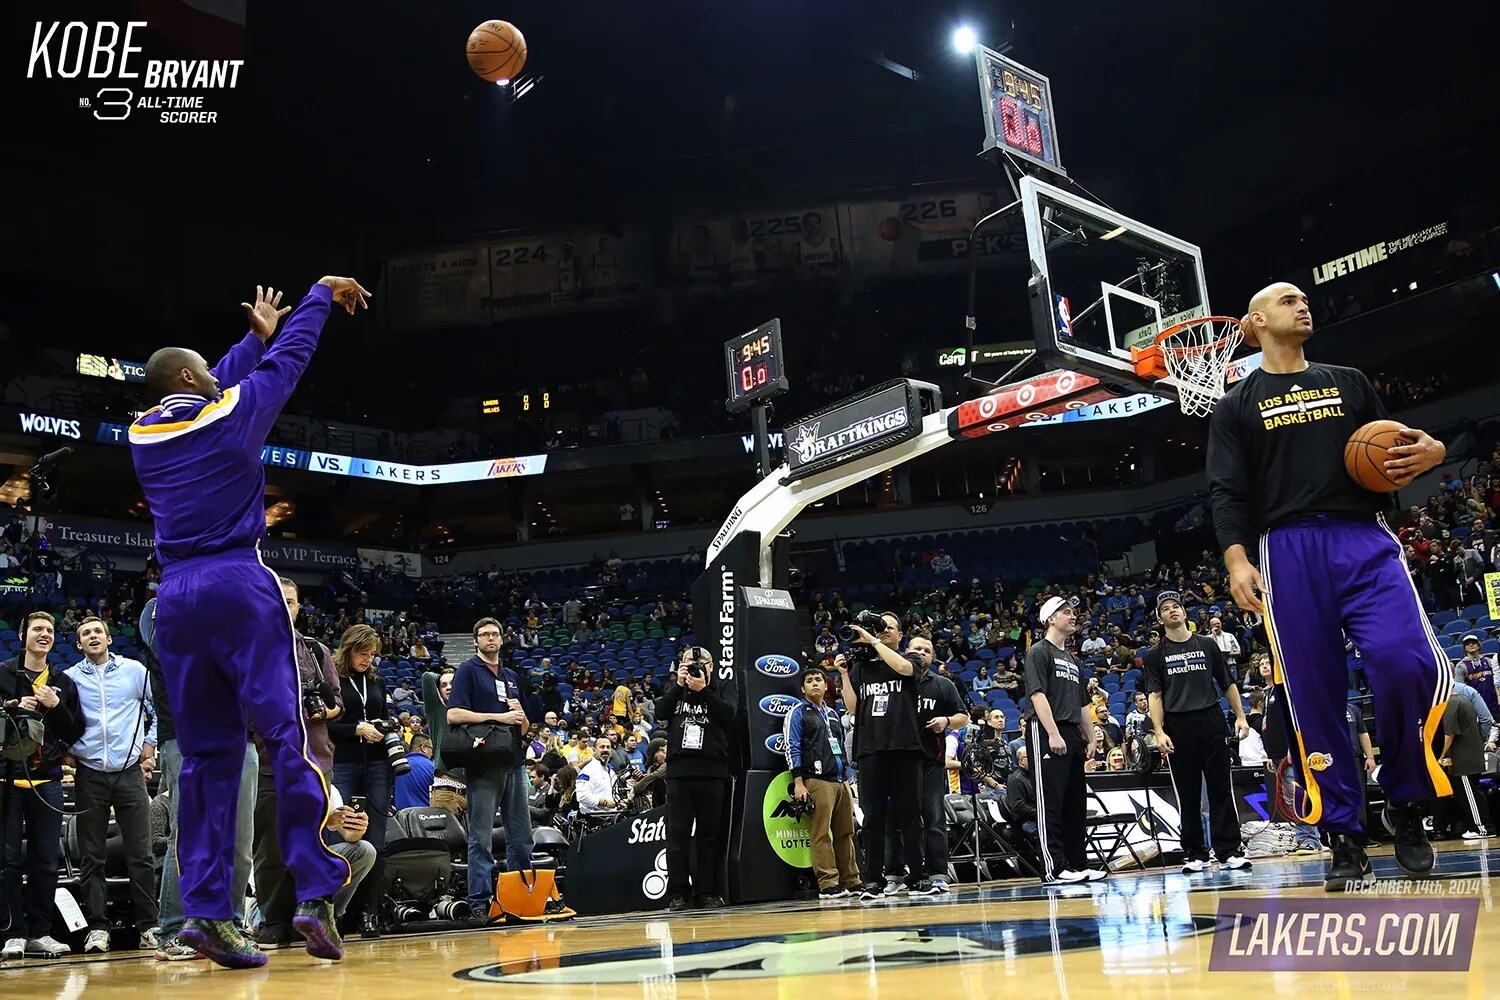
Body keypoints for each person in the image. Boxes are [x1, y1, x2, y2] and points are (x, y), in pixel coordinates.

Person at [128, 278, 369, 966]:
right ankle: (314, 890)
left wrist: (248, 340)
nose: (218, 373)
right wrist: (319, 295)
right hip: (237, 582)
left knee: (206, 762)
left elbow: (207, 384)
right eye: (208, 368)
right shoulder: (232, 414)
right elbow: (287, 363)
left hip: (174, 598)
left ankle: (207, 915)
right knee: (286, 740)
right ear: (189, 376)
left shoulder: (144, 433)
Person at [1207, 281, 1450, 891]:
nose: (1303, 304)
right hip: (1285, 551)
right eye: (1287, 300)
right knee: (1314, 696)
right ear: (1255, 321)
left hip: (1362, 538)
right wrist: (1237, 560)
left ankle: (1406, 800)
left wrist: (1434, 450)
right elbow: (1227, 492)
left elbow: (1396, 451)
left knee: (1407, 664)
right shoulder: (1236, 404)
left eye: (1303, 298)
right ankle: (1343, 832)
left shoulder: (1350, 382)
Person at [249, 582, 343, 951]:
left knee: (315, 842)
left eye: (289, 601)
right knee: (270, 847)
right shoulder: (249, 651)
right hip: (269, 761)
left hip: (315, 761)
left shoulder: (317, 651)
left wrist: (319, 710)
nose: (283, 607)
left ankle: (315, 919)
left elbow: (337, 702)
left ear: (298, 607)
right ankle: (273, 921)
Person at [66, 616, 160, 953]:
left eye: (97, 632)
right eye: (85, 634)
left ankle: (149, 926)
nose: (92, 636)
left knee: (141, 854)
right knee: (92, 856)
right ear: (79, 645)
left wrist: (149, 745)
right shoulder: (70, 678)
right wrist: (69, 751)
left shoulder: (135, 671)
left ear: (108, 639)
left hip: (130, 773)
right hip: (89, 773)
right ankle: (98, 928)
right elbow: (63, 720)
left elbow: (159, 709)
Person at [1141, 591, 1252, 873]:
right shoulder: (1154, 655)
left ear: (1184, 612)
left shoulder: (1207, 645)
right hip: (1178, 725)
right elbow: (1155, 695)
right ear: (1159, 618)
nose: (1172, 611)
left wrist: (1240, 716)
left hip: (1211, 718)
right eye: (1166, 608)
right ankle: (1195, 853)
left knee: (1220, 788)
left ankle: (1229, 851)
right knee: (1188, 793)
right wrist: (1159, 731)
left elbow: (1227, 683)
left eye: (1176, 606)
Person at [0, 612, 83, 961]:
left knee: (46, 861)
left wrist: (56, 705)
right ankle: (12, 934)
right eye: (37, 629)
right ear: (22, 635)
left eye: (49, 630)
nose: (45, 634)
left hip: (47, 780)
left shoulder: (62, 681)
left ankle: (40, 933)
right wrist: (11, 706)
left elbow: (74, 730)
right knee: (7, 860)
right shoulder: (3, 673)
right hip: (6, 779)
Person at [833, 612, 927, 901]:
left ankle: (917, 876)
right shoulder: (861, 667)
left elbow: (902, 667)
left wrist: (873, 640)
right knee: (873, 818)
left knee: (910, 815)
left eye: (891, 628)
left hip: (905, 747)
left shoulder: (913, 658)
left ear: (900, 636)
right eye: (880, 627)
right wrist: (845, 674)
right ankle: (872, 880)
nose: (885, 630)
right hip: (871, 749)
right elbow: (852, 708)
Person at [446, 617, 534, 917]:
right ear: (476, 640)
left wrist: (520, 717)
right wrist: (496, 718)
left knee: (522, 836)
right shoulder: (468, 671)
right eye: (485, 635)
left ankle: (522, 896)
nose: (491, 639)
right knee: (481, 837)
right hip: (484, 763)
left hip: (515, 761)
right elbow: (454, 715)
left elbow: (523, 727)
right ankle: (479, 903)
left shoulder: (511, 676)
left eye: (495, 634)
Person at [1023, 597, 1106, 884]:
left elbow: (1083, 704)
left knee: (1074, 802)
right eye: (1066, 612)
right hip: (1047, 729)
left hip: (1072, 732)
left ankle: (1076, 863)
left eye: (1073, 612)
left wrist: (1089, 735)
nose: (1073, 616)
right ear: (1050, 619)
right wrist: (1053, 733)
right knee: (1051, 802)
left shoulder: (1073, 659)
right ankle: (1055, 868)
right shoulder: (1038, 652)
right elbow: (1037, 695)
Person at [326, 624, 393, 938]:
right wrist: (357, 729)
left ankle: (370, 914)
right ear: (349, 650)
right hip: (345, 762)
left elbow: (387, 716)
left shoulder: (377, 682)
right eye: (363, 654)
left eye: (372, 654)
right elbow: (326, 728)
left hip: (378, 763)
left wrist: (383, 726)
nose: (368, 660)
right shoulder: (334, 681)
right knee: (344, 836)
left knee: (377, 839)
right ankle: (338, 913)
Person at [657, 645, 734, 911]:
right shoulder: (676, 690)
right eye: (689, 662)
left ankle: (706, 892)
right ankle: (677, 893)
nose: (694, 668)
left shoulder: (721, 689)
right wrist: (679, 685)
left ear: (711, 667)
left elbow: (728, 715)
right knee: (676, 836)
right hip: (679, 773)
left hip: (712, 772)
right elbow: (661, 712)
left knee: (708, 836)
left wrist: (704, 690)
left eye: (700, 664)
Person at [783, 666, 861, 898]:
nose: (815, 683)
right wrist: (798, 782)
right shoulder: (797, 712)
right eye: (809, 680)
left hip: (840, 780)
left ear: (826, 685)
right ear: (803, 688)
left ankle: (851, 879)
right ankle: (828, 883)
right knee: (821, 833)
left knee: (846, 832)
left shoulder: (834, 713)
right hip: (816, 780)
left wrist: (848, 775)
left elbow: (840, 746)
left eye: (819, 679)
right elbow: (792, 746)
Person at [909, 636, 967, 894]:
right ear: (906, 651)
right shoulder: (898, 683)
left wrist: (946, 721)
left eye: (927, 650)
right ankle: (909, 875)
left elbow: (962, 717)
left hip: (932, 760)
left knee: (934, 819)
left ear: (933, 657)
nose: (922, 653)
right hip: (901, 762)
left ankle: (938, 874)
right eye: (917, 649)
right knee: (906, 820)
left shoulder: (943, 685)